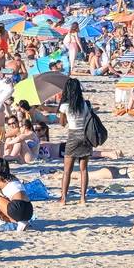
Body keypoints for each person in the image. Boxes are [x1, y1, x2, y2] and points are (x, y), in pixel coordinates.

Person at [58, 77, 94, 205]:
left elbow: (62, 123)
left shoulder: (65, 106)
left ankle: (63, 198)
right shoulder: (84, 104)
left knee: (67, 170)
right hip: (85, 136)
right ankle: (83, 198)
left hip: (73, 136)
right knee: (84, 169)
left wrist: (65, 117)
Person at [0, 157, 33, 233]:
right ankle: (21, 222)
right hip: (29, 210)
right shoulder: (14, 178)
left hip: (17, 207)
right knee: (1, 215)